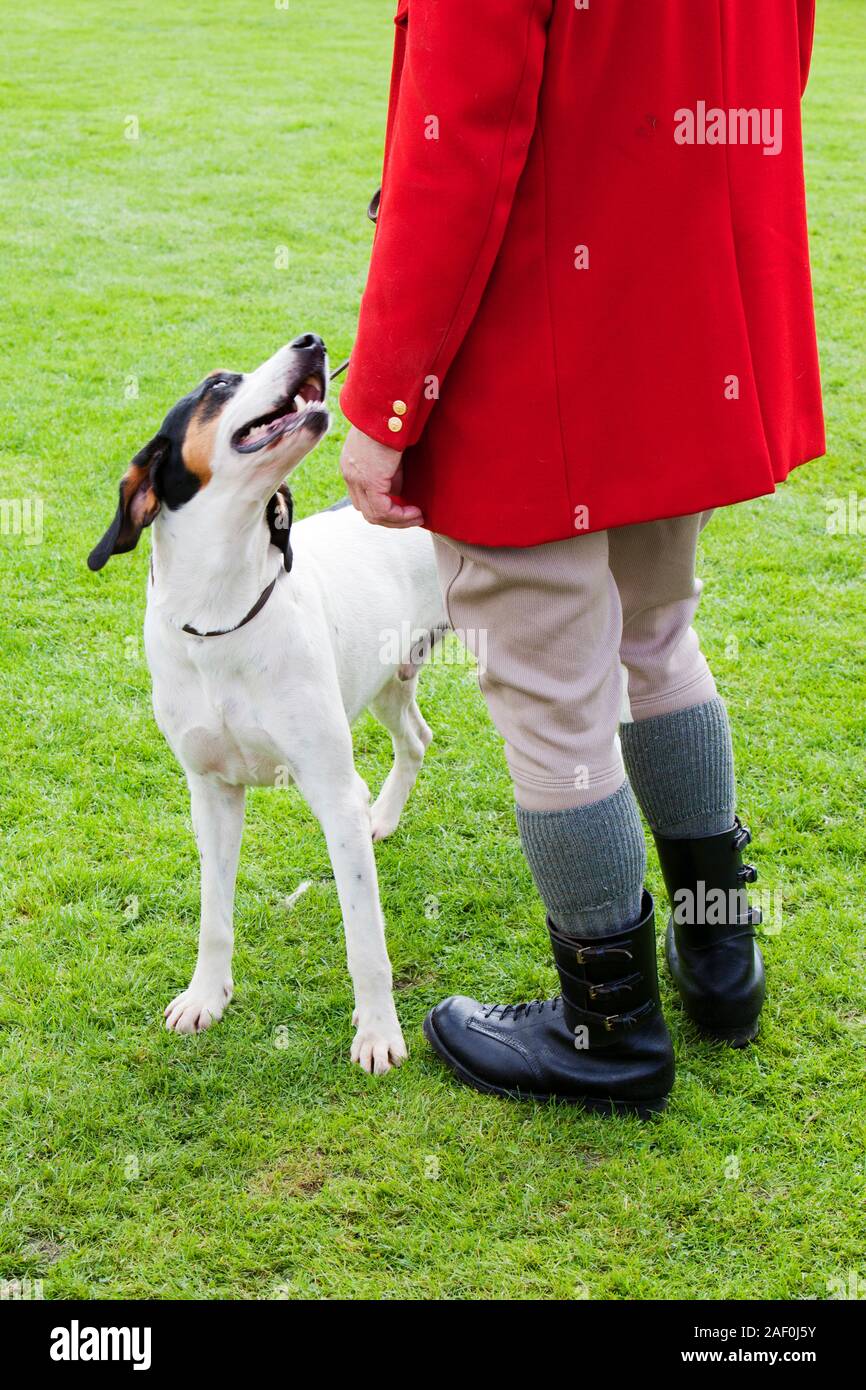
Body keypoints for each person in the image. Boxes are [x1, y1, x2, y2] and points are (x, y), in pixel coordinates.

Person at [338, 0, 824, 1115]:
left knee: (552, 687)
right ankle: (716, 963)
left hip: (539, 329)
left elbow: (457, 135)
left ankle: (607, 1031)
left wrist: (385, 403)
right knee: (655, 634)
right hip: (685, 302)